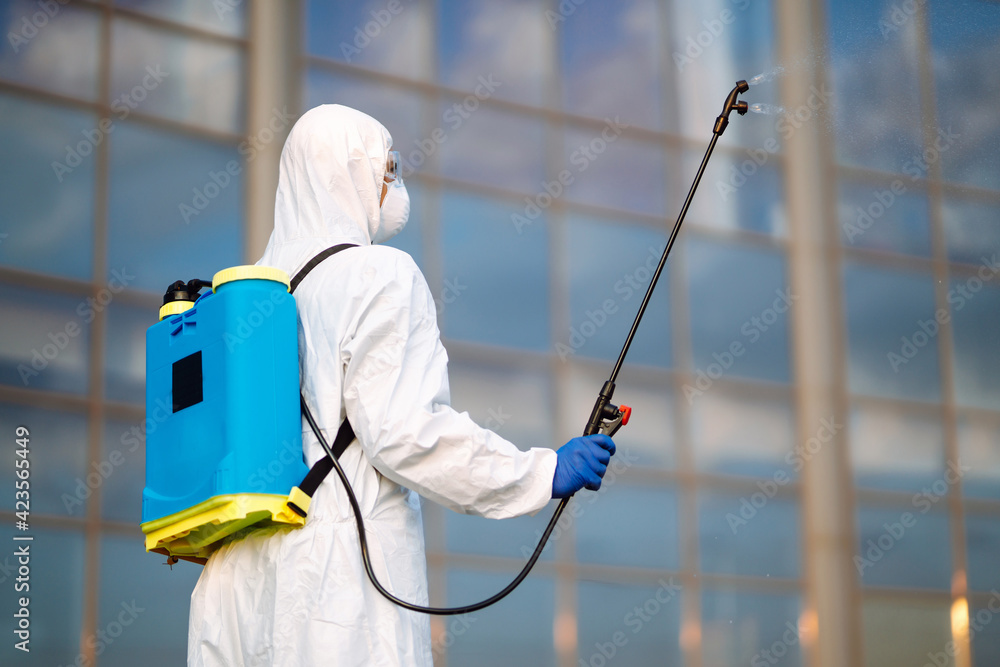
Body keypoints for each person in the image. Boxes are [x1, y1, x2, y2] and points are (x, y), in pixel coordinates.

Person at [187, 104, 616, 666]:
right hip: (331, 585)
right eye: (387, 170)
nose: (393, 185)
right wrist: (538, 473)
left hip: (233, 584)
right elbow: (404, 435)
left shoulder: (234, 300)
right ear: (351, 172)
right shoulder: (378, 274)